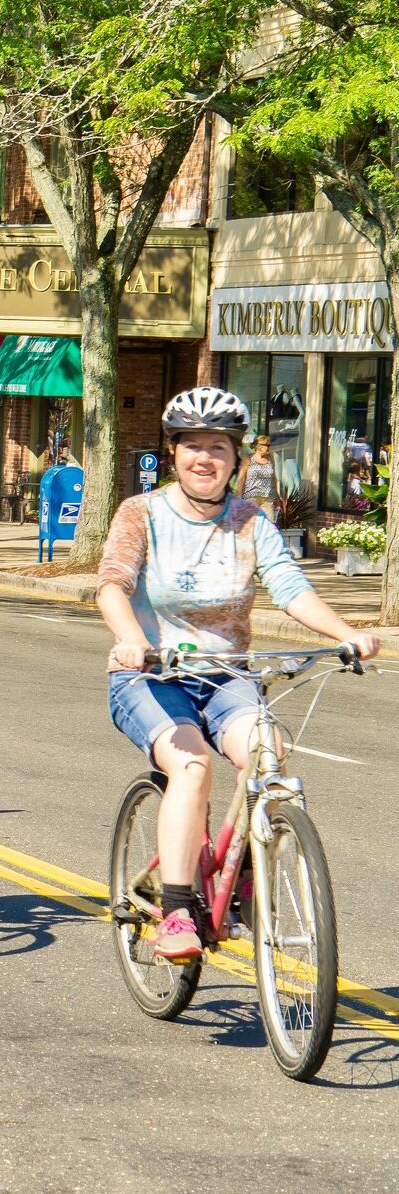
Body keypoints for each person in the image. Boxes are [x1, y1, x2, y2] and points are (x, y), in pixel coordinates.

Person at [98, 388, 379, 962]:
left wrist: (343, 633)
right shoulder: (141, 513)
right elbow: (113, 584)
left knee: (267, 751)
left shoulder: (251, 522)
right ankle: (176, 908)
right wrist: (131, 640)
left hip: (228, 675)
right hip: (151, 676)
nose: (205, 458)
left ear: (237, 456)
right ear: (173, 453)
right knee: (192, 766)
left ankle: (241, 868)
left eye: (218, 448)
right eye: (193, 446)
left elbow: (290, 587)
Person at [237, 432, 280, 520]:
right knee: (250, 524)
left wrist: (277, 496)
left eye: (269, 445)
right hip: (251, 497)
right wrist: (239, 497)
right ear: (257, 446)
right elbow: (241, 479)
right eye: (265, 445)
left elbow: (274, 478)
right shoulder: (248, 458)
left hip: (268, 498)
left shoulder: (271, 459)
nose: (268, 447)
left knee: (269, 525)